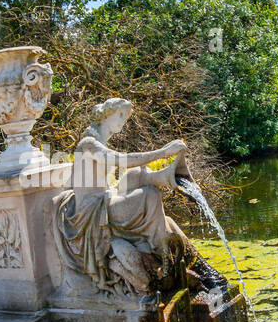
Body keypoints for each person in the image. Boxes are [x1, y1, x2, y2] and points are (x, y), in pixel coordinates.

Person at [53, 98, 193, 298]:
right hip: (93, 212)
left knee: (135, 175)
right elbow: (121, 160)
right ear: (106, 115)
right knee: (149, 195)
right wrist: (162, 152)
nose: (123, 121)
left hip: (102, 201)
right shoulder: (88, 143)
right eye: (120, 115)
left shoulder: (98, 142)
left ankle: (166, 176)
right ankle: (161, 249)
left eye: (125, 117)